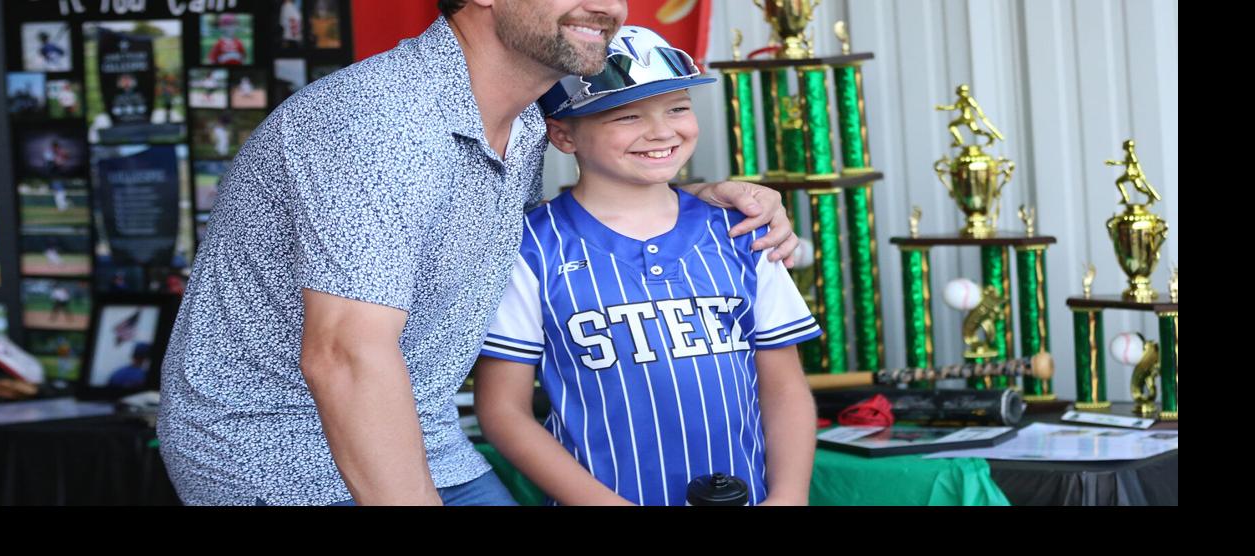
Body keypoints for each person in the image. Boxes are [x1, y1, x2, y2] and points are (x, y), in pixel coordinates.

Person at [157, 0, 800, 506]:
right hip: (275, 452)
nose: (609, 6)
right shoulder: (376, 123)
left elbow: (603, 182)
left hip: (427, 437)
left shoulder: (519, 118)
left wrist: (699, 199)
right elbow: (346, 356)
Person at [475, 27, 819, 506]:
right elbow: (502, 412)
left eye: (677, 107)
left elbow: (782, 388)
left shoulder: (743, 232)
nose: (661, 130)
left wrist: (789, 495)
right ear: (563, 133)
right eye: (628, 115)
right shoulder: (530, 247)